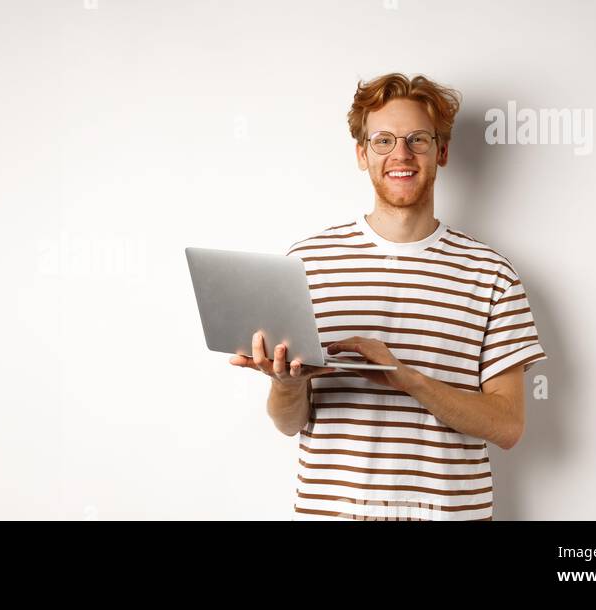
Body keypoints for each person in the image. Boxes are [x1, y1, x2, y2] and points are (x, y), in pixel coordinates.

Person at [229, 73, 547, 521]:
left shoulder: (492, 274)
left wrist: (406, 377)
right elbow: (288, 423)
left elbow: (508, 425)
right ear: (362, 154)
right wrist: (286, 383)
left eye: (417, 139)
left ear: (442, 152)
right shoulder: (304, 263)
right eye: (383, 140)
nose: (401, 154)